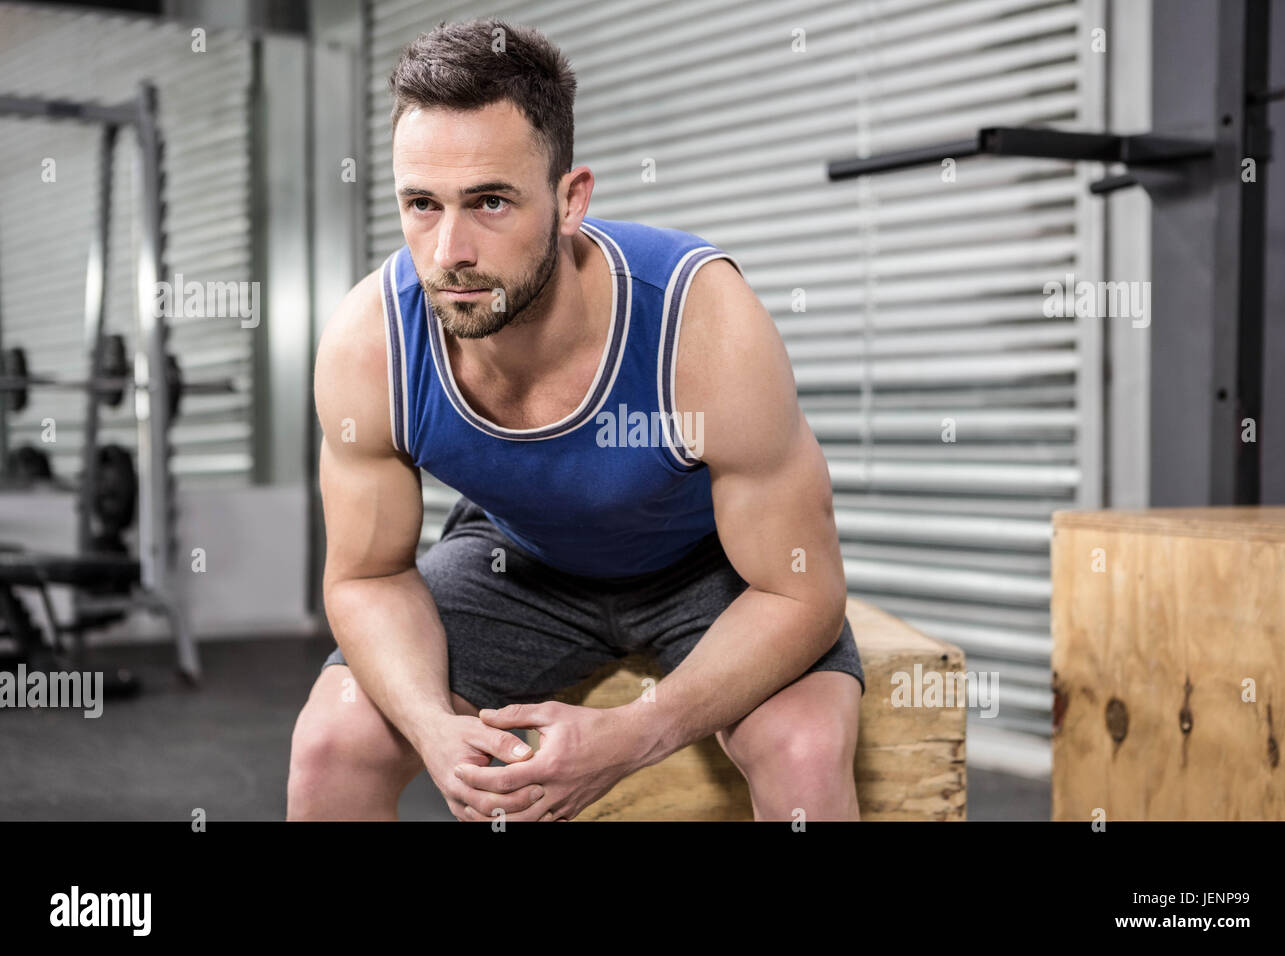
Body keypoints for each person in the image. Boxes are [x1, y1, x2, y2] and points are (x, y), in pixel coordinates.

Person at [288, 17, 864, 823]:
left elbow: (803, 593)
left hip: (715, 570)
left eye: (490, 202)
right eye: (422, 204)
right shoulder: (369, 345)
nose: (450, 249)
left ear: (570, 200)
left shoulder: (699, 323)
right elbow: (367, 575)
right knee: (330, 748)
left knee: (802, 753)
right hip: (518, 562)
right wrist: (430, 726)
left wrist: (637, 734)